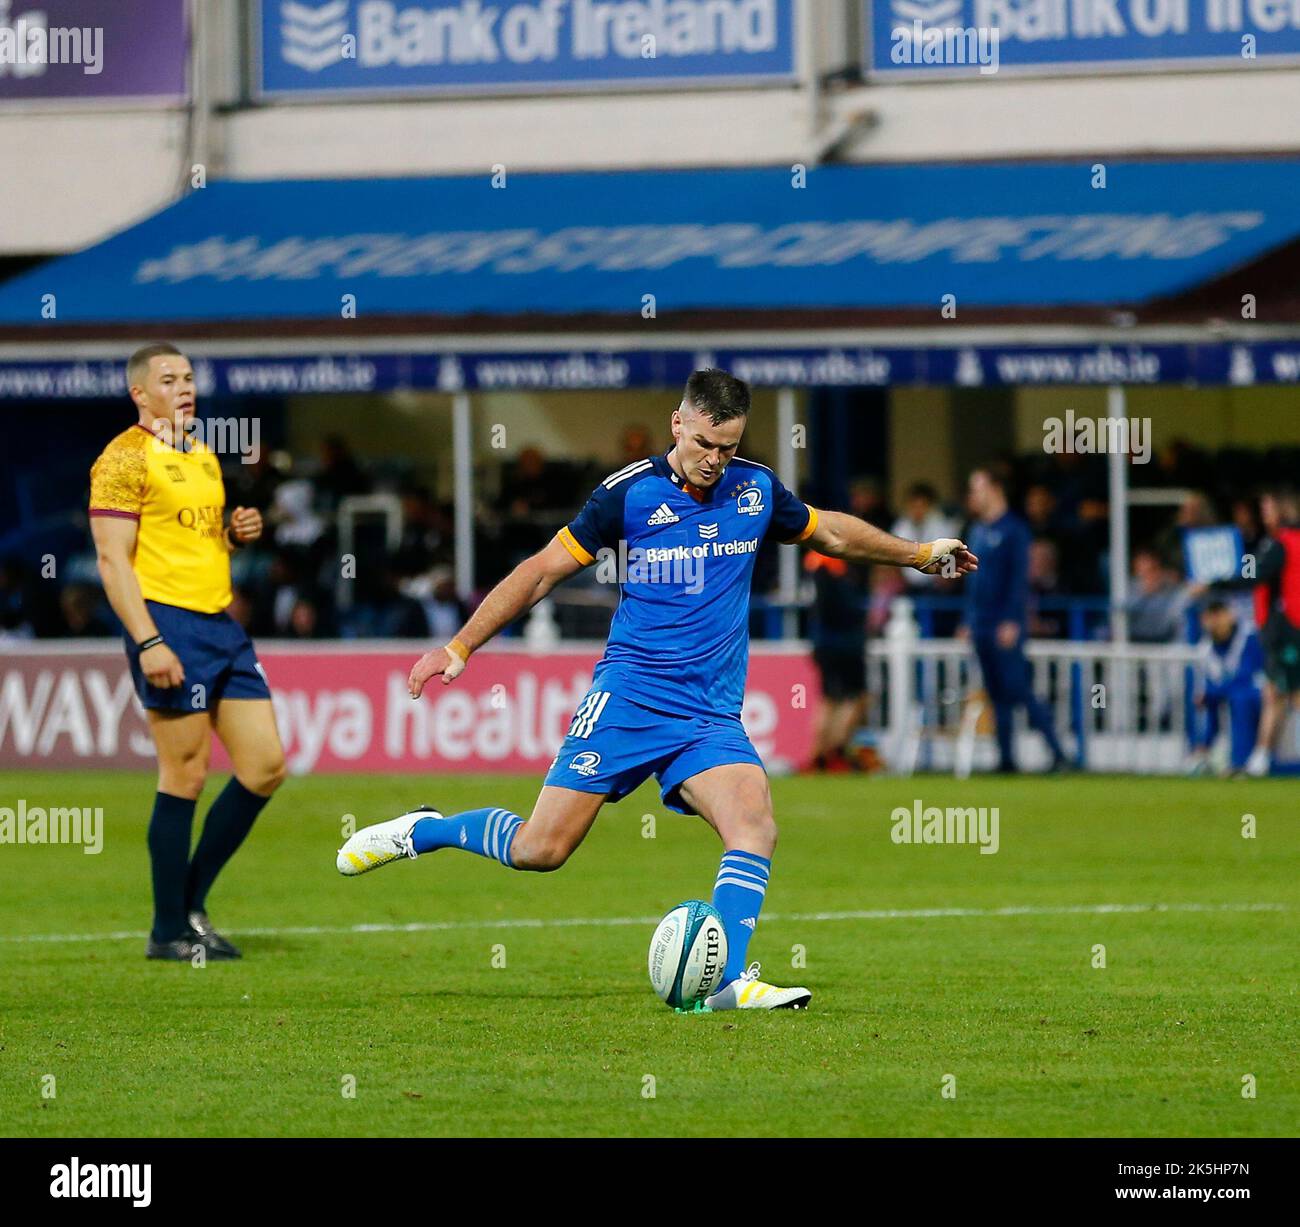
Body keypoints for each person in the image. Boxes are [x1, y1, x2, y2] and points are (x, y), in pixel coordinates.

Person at [337, 369, 977, 1010]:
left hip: (708, 715)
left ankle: (724, 981)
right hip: (631, 698)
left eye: (728, 447)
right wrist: (459, 646)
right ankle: (426, 830)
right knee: (541, 850)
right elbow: (539, 575)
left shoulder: (755, 490)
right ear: (678, 422)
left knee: (754, 824)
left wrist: (919, 553)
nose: (714, 461)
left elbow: (831, 532)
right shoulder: (627, 495)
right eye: (704, 443)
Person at [89, 343, 286, 962]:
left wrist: (232, 534)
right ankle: (168, 928)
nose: (184, 388)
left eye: (190, 378)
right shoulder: (123, 458)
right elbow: (111, 559)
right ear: (139, 395)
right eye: (168, 380)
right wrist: (149, 640)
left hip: (220, 625)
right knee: (186, 774)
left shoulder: (201, 454)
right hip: (167, 624)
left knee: (264, 766)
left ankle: (187, 904)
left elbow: (194, 542)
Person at [959, 468, 1067, 773]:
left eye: (977, 489)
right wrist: (968, 619)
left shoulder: (1015, 530)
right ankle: (1006, 758)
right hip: (981, 621)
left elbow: (1019, 580)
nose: (973, 496)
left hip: (1003, 623)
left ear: (995, 489)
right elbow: (972, 580)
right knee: (996, 692)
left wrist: (1011, 620)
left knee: (1017, 687)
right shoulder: (977, 530)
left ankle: (1058, 752)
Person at [1246, 490, 1300, 776]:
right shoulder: (1283, 543)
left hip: (1291, 629)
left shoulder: (1281, 545)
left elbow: (1254, 575)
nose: (1264, 513)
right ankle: (1261, 756)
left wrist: (1218, 578)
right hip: (1288, 627)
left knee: (1290, 693)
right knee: (1275, 692)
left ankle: (1262, 757)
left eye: (1268, 507)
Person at [803, 548, 872, 772]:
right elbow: (843, 610)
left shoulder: (814, 568)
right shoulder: (832, 570)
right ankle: (835, 752)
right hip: (845, 643)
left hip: (824, 642)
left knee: (829, 699)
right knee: (855, 698)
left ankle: (819, 755)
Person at [1189, 600, 1264, 776]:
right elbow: (1206, 682)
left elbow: (1247, 677)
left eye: (1219, 614)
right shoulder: (1205, 648)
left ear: (1230, 615)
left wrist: (1213, 692)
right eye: (1210, 616)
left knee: (1240, 698)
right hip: (1228, 693)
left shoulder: (1249, 637)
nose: (1215, 622)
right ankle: (1201, 752)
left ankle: (1240, 762)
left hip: (1259, 694)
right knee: (1201, 699)